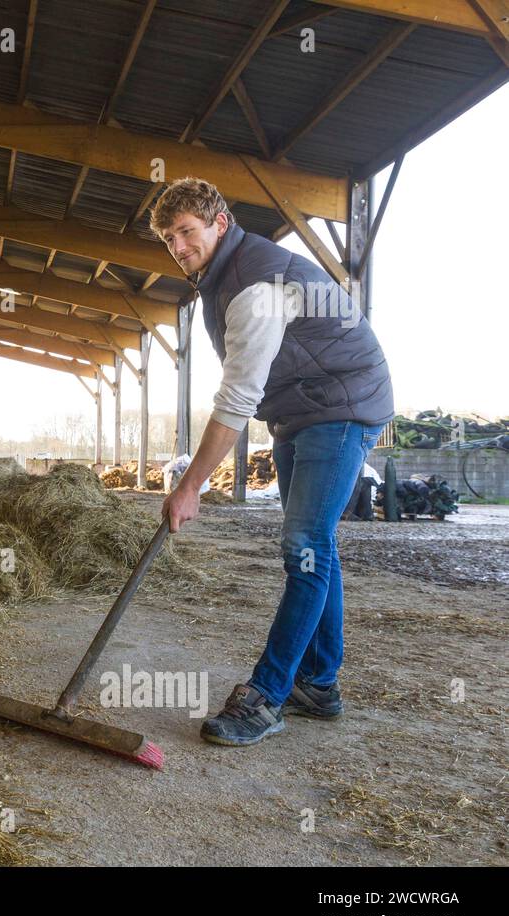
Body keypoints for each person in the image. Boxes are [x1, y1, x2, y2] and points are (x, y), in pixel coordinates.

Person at [151, 178, 393, 746]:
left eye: (187, 232)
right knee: (316, 546)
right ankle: (319, 684)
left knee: (304, 546)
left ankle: (267, 695)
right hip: (298, 409)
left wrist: (190, 486)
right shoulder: (220, 277)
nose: (179, 247)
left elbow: (235, 398)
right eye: (168, 239)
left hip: (343, 404)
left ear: (220, 223)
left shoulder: (257, 285)